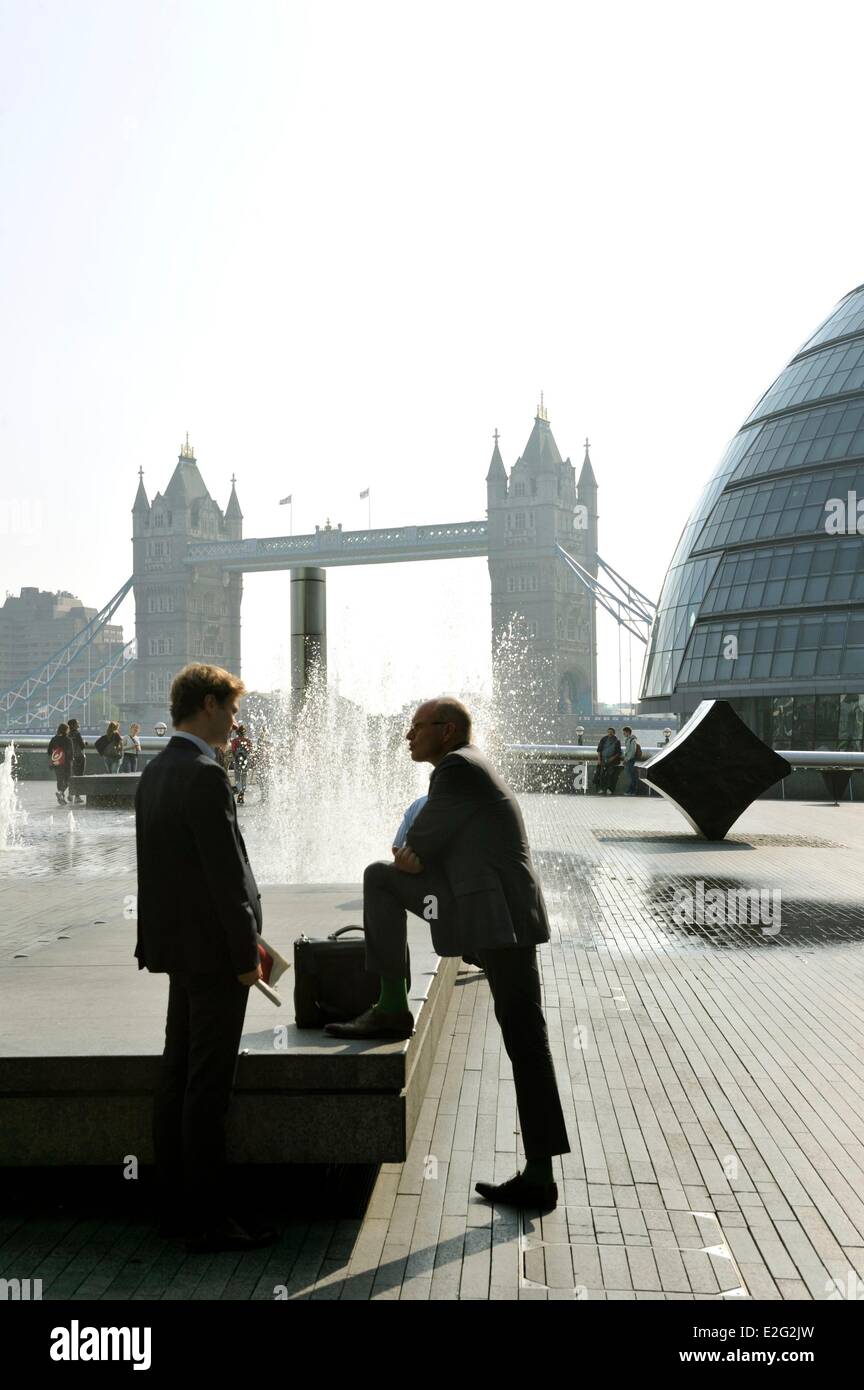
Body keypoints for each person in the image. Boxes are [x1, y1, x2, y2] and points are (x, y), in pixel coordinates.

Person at [325, 697, 571, 1212]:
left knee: (378, 877)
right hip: (490, 914)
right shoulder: (469, 766)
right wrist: (418, 859)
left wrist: (416, 858)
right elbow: (421, 852)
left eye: (416, 728)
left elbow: (414, 848)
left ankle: (393, 1006)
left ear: (448, 729)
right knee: (528, 1041)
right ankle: (541, 1174)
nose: (408, 737)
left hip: (495, 919)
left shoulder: (457, 768)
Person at [134, 662, 274, 1254]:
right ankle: (211, 1220)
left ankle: (174, 1208)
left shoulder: (157, 771)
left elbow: (171, 874)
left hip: (180, 949)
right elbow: (223, 876)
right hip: (216, 957)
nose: (237, 721)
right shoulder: (204, 775)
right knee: (207, 1085)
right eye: (233, 709)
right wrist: (246, 952)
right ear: (210, 704)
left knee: (176, 1074)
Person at [47, 722, 74, 805]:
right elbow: (71, 752)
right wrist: (71, 760)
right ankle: (61, 792)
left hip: (57, 761)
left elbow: (49, 751)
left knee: (59, 780)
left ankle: (61, 796)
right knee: (68, 779)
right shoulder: (68, 739)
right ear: (66, 730)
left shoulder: (54, 739)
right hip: (65, 762)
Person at [230, 724, 253, 805]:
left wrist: (235, 758)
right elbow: (250, 750)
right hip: (245, 762)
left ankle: (240, 791)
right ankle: (242, 792)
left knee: (237, 778)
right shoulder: (248, 741)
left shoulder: (235, 741)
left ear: (237, 733)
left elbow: (233, 751)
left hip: (237, 761)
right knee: (244, 777)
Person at [595, 727, 621, 796]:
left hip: (612, 762)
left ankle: (609, 789)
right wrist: (599, 759)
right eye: (608, 732)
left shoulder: (617, 741)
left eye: (611, 732)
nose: (610, 733)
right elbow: (599, 750)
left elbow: (618, 752)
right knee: (602, 774)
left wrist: (612, 758)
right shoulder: (604, 739)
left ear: (614, 733)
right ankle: (602, 788)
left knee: (611, 775)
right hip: (603, 760)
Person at [67, 718, 87, 804]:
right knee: (79, 776)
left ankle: (70, 794)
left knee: (72, 775)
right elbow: (82, 746)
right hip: (79, 756)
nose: (79, 723)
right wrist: (85, 742)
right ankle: (77, 796)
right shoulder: (77, 734)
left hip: (71, 757)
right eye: (77, 722)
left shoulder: (68, 734)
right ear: (74, 725)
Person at [621, 726, 639, 796]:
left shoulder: (633, 740)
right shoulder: (628, 739)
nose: (623, 734)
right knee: (631, 776)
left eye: (624, 732)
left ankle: (632, 791)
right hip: (628, 760)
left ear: (628, 732)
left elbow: (632, 751)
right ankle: (631, 791)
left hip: (631, 760)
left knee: (632, 777)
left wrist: (627, 759)